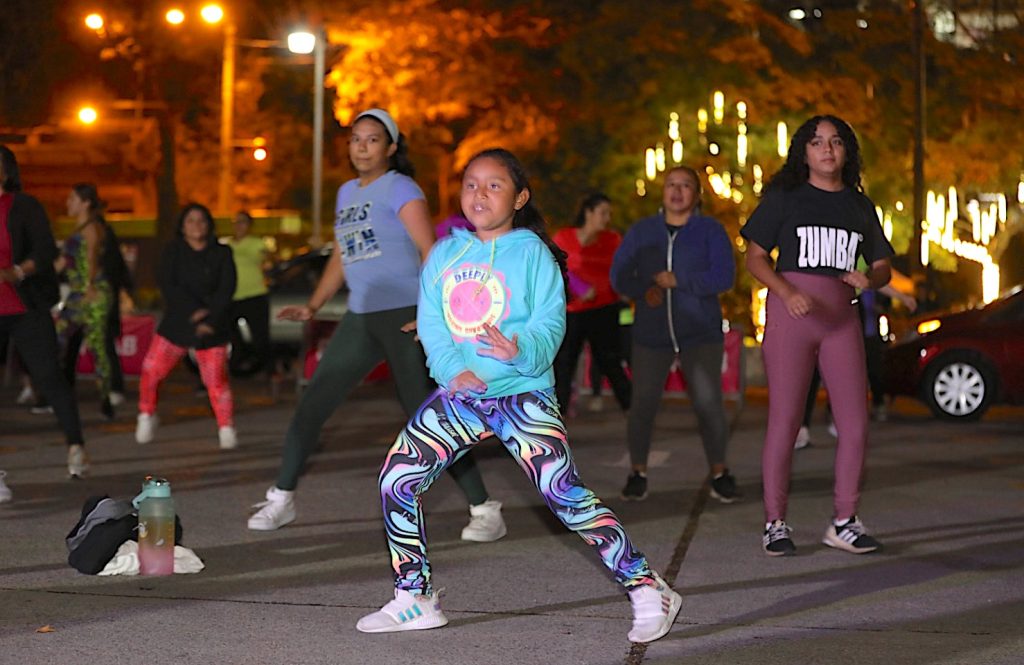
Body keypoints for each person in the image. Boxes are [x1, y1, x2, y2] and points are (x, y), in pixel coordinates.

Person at [357, 148, 682, 644]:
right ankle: (414, 597)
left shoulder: (532, 252)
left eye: (494, 185)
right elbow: (432, 324)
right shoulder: (445, 253)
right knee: (396, 479)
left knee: (563, 493)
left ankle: (646, 587)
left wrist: (520, 349)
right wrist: (451, 371)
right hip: (462, 396)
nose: (479, 193)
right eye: (471, 183)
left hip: (521, 395)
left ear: (519, 197)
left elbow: (551, 322)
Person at [246, 109, 505, 543]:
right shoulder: (347, 192)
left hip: (405, 316)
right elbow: (341, 257)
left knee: (428, 416)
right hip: (361, 316)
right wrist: (313, 305)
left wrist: (429, 314)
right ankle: (282, 497)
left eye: (371, 140)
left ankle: (485, 509)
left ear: (390, 148)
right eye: (355, 139)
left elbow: (430, 250)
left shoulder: (401, 188)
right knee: (313, 403)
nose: (361, 147)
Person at [741, 114, 895, 557]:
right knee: (786, 422)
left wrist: (871, 278)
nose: (827, 149)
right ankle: (775, 522)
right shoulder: (785, 198)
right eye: (816, 142)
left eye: (836, 142)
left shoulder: (859, 206)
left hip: (840, 321)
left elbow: (882, 264)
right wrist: (786, 292)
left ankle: (844, 521)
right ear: (803, 152)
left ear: (847, 151)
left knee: (855, 424)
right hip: (793, 317)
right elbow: (755, 258)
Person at [610, 167, 737, 503]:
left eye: (685, 186)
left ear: (696, 195)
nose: (677, 191)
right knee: (643, 405)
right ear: (662, 192)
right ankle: (638, 471)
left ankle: (720, 472)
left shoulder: (710, 230)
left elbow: (725, 277)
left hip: (701, 333)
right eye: (671, 185)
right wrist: (644, 289)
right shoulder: (643, 231)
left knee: (709, 405)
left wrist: (681, 281)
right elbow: (619, 274)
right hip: (652, 335)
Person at [0, 144, 90, 478]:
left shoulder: (25, 206)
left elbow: (43, 249)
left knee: (49, 376)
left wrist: (18, 271)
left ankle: (76, 445)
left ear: (8, 171)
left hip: (25, 305)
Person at [135, 203, 239, 449]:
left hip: (212, 326)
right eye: (191, 221)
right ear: (182, 227)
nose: (196, 225)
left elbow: (227, 288)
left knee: (215, 381)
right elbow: (168, 285)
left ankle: (226, 427)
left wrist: (209, 318)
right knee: (151, 370)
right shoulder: (173, 252)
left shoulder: (222, 253)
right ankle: (147, 414)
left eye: (202, 220)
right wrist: (192, 312)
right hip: (177, 324)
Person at [552, 192, 631, 416]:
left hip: (604, 308)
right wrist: (578, 288)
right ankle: (558, 414)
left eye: (609, 214)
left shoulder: (612, 240)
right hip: (572, 311)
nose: (607, 218)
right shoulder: (565, 237)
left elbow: (622, 269)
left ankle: (631, 406)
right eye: (603, 213)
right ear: (588, 212)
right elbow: (554, 266)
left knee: (609, 360)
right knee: (565, 363)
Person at [56, 183, 117, 419]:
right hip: (77, 293)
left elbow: (91, 257)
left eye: (72, 199)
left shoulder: (91, 228)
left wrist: (90, 286)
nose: (68, 203)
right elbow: (62, 263)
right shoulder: (76, 229)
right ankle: (59, 394)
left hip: (91, 294)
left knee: (96, 345)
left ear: (86, 203)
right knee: (59, 338)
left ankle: (105, 399)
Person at [224, 211, 271, 377]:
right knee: (229, 331)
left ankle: (266, 370)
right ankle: (238, 363)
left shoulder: (256, 243)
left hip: (254, 294)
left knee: (260, 336)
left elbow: (266, 259)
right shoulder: (227, 245)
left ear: (249, 226)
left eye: (243, 222)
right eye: (236, 222)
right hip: (233, 296)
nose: (239, 225)